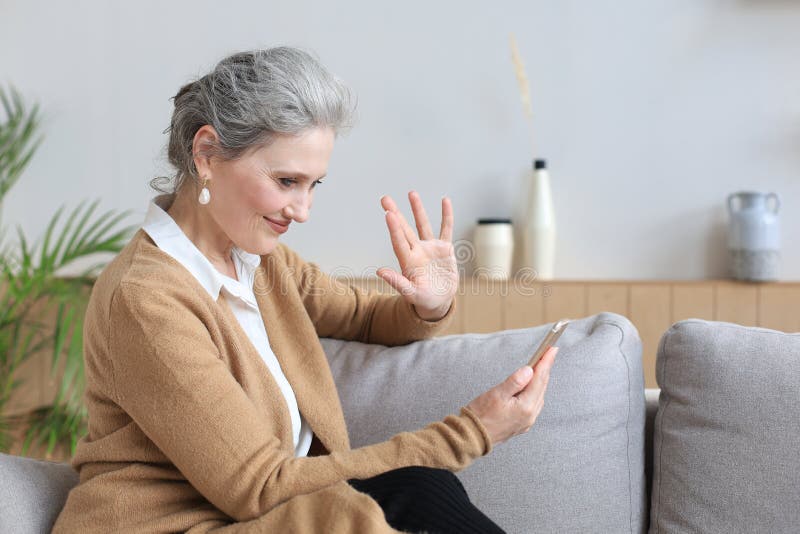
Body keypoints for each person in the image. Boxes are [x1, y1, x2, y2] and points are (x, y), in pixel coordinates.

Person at [51, 47, 558, 534]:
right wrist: (472, 432)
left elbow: (362, 318)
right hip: (179, 526)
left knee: (420, 489)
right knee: (405, 496)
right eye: (286, 180)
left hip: (266, 515)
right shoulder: (146, 300)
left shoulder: (259, 260)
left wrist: (429, 302)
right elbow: (259, 486)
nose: (302, 209)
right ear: (206, 153)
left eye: (313, 185)